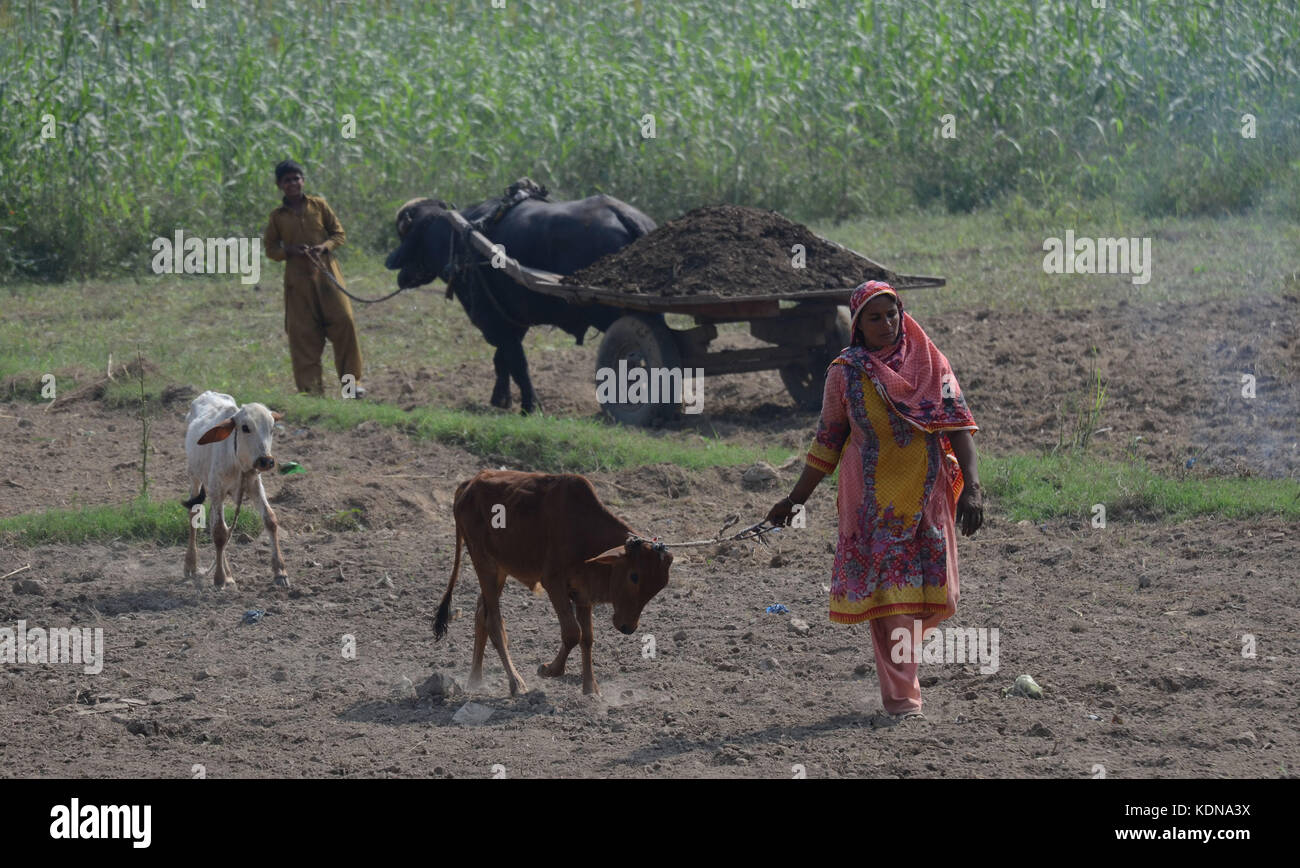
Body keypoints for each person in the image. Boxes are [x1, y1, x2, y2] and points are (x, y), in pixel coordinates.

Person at [766, 280, 983, 721]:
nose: (886, 325)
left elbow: (957, 425)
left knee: (937, 595)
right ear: (857, 326)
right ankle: (903, 701)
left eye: (892, 314)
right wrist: (795, 500)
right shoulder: (845, 373)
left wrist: (974, 488)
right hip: (873, 504)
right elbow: (828, 442)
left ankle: (903, 676)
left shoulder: (929, 361)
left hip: (926, 499)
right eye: (874, 318)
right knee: (892, 603)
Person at [262, 159, 365, 398]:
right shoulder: (277, 217)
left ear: (303, 180)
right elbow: (270, 249)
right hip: (298, 285)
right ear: (280, 185)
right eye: (287, 180)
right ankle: (312, 395)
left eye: (296, 178)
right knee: (303, 336)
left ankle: (351, 387)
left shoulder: (319, 205)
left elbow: (338, 234)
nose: (292, 183)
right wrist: (289, 251)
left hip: (328, 278)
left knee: (344, 324)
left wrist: (324, 247)